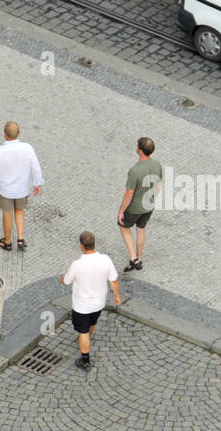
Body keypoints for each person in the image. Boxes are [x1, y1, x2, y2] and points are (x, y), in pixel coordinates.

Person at [61, 231, 122, 370]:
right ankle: (87, 337)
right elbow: (114, 280)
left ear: (82, 246)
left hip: (81, 305)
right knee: (92, 322)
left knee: (82, 332)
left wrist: (62, 280)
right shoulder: (105, 259)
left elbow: (66, 281)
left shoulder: (77, 264)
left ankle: (85, 360)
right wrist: (117, 296)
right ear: (94, 244)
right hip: (99, 302)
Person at [0, 121, 44, 251]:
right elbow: (35, 167)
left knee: (7, 214)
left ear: (5, 134)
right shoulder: (27, 148)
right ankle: (20, 238)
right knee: (20, 211)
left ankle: (7, 242)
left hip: (6, 190)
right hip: (22, 188)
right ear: (18, 134)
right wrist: (38, 183)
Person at [117, 137, 162, 272]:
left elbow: (129, 195)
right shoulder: (157, 165)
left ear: (140, 150)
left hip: (135, 207)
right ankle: (139, 257)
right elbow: (159, 185)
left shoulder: (135, 171)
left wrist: (121, 211)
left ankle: (133, 257)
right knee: (141, 228)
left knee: (124, 227)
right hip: (149, 205)